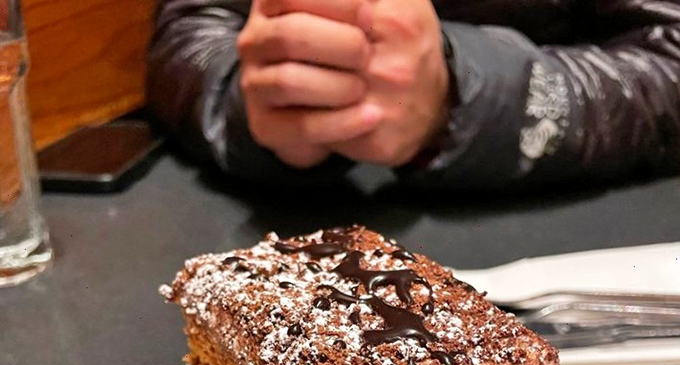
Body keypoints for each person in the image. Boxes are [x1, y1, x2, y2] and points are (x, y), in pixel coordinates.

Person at [147, 0, 680, 189]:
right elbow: (190, 29)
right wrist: (255, 101)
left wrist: (458, 97)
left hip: (562, 224)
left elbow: (669, 56)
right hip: (273, 217)